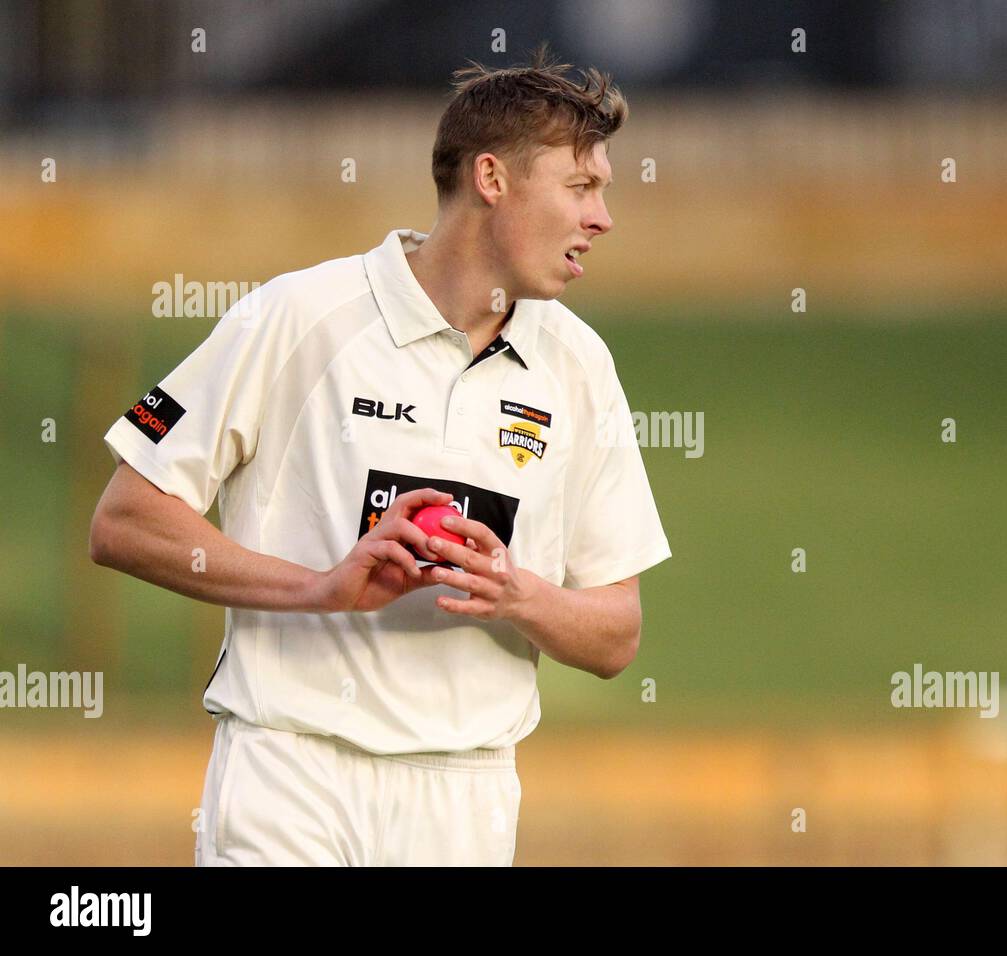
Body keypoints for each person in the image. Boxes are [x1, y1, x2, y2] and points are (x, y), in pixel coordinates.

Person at [88, 43, 671, 866]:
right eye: (581, 187)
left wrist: (517, 592)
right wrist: (323, 589)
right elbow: (125, 521)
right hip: (289, 772)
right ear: (492, 179)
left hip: (466, 801)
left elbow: (616, 634)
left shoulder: (581, 367)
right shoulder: (295, 316)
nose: (602, 218)